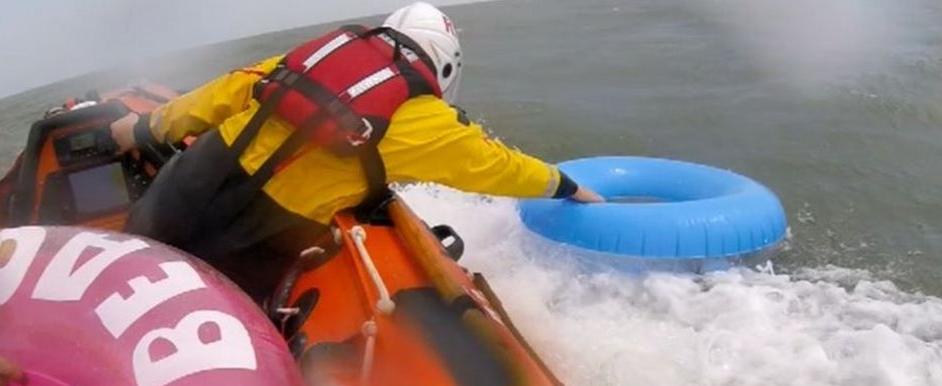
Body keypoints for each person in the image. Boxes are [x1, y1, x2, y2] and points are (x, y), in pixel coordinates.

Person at [109, 2, 603, 302]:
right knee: (215, 311)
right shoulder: (426, 120)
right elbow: (498, 168)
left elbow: (220, 94)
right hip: (244, 241)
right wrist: (568, 185)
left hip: (180, 188)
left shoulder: (314, 55)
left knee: (127, 285)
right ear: (445, 65)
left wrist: (144, 126)